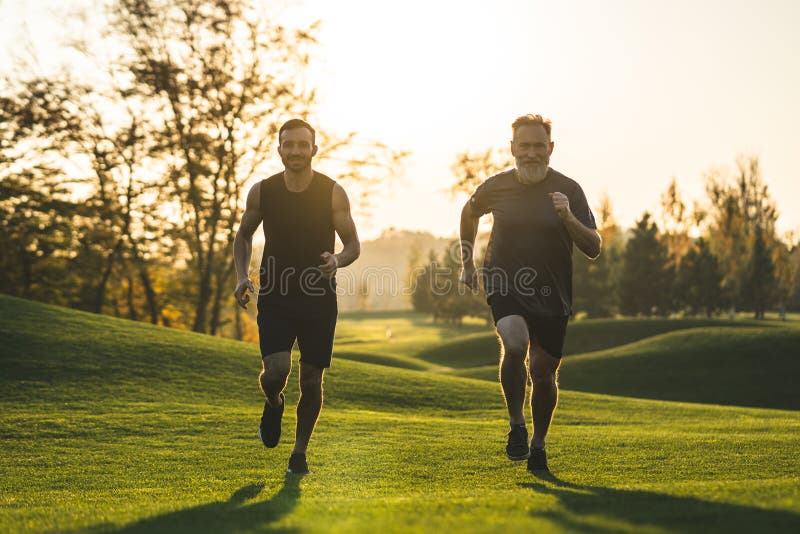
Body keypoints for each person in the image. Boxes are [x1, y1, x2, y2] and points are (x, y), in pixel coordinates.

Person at [459, 114, 601, 472]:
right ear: (512, 149)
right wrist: (467, 261)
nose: (532, 153)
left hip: (553, 293)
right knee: (516, 342)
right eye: (525, 146)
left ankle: (538, 444)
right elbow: (469, 211)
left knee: (543, 372)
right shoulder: (497, 186)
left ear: (550, 148)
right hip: (505, 281)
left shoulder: (569, 190)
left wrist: (568, 218)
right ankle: (517, 426)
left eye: (539, 146)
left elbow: (594, 246)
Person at [233, 118, 360, 475]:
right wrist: (242, 276)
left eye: (303, 145)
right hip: (275, 293)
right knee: (275, 372)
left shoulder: (332, 192)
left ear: (314, 150)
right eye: (289, 145)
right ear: (279, 150)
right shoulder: (263, 191)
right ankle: (274, 403)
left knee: (310, 381)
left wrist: (337, 259)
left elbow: (353, 245)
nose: (296, 151)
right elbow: (243, 236)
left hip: (319, 298)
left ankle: (299, 453)